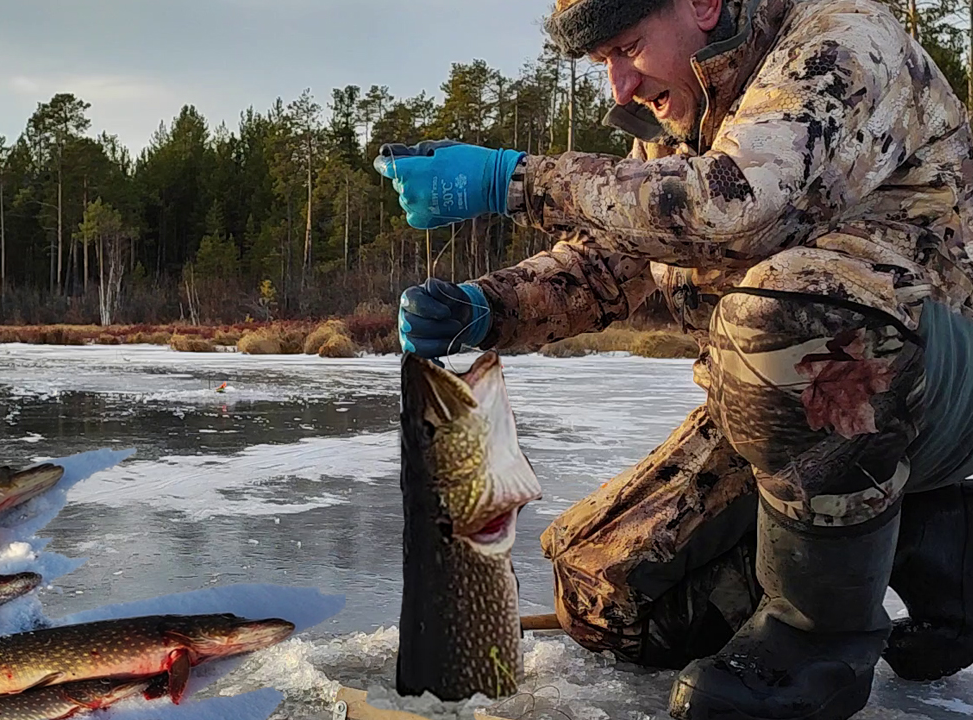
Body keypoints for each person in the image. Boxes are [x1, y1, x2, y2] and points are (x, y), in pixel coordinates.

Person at [376, 0, 973, 718]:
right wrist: (486, 306)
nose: (620, 87)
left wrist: (519, 181)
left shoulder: (838, 42)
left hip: (937, 374)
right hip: (811, 412)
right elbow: (616, 255)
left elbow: (741, 203)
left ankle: (819, 639)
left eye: (629, 47)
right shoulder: (685, 111)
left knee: (783, 311)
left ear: (702, 4)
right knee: (609, 601)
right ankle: (938, 552)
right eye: (603, 64)